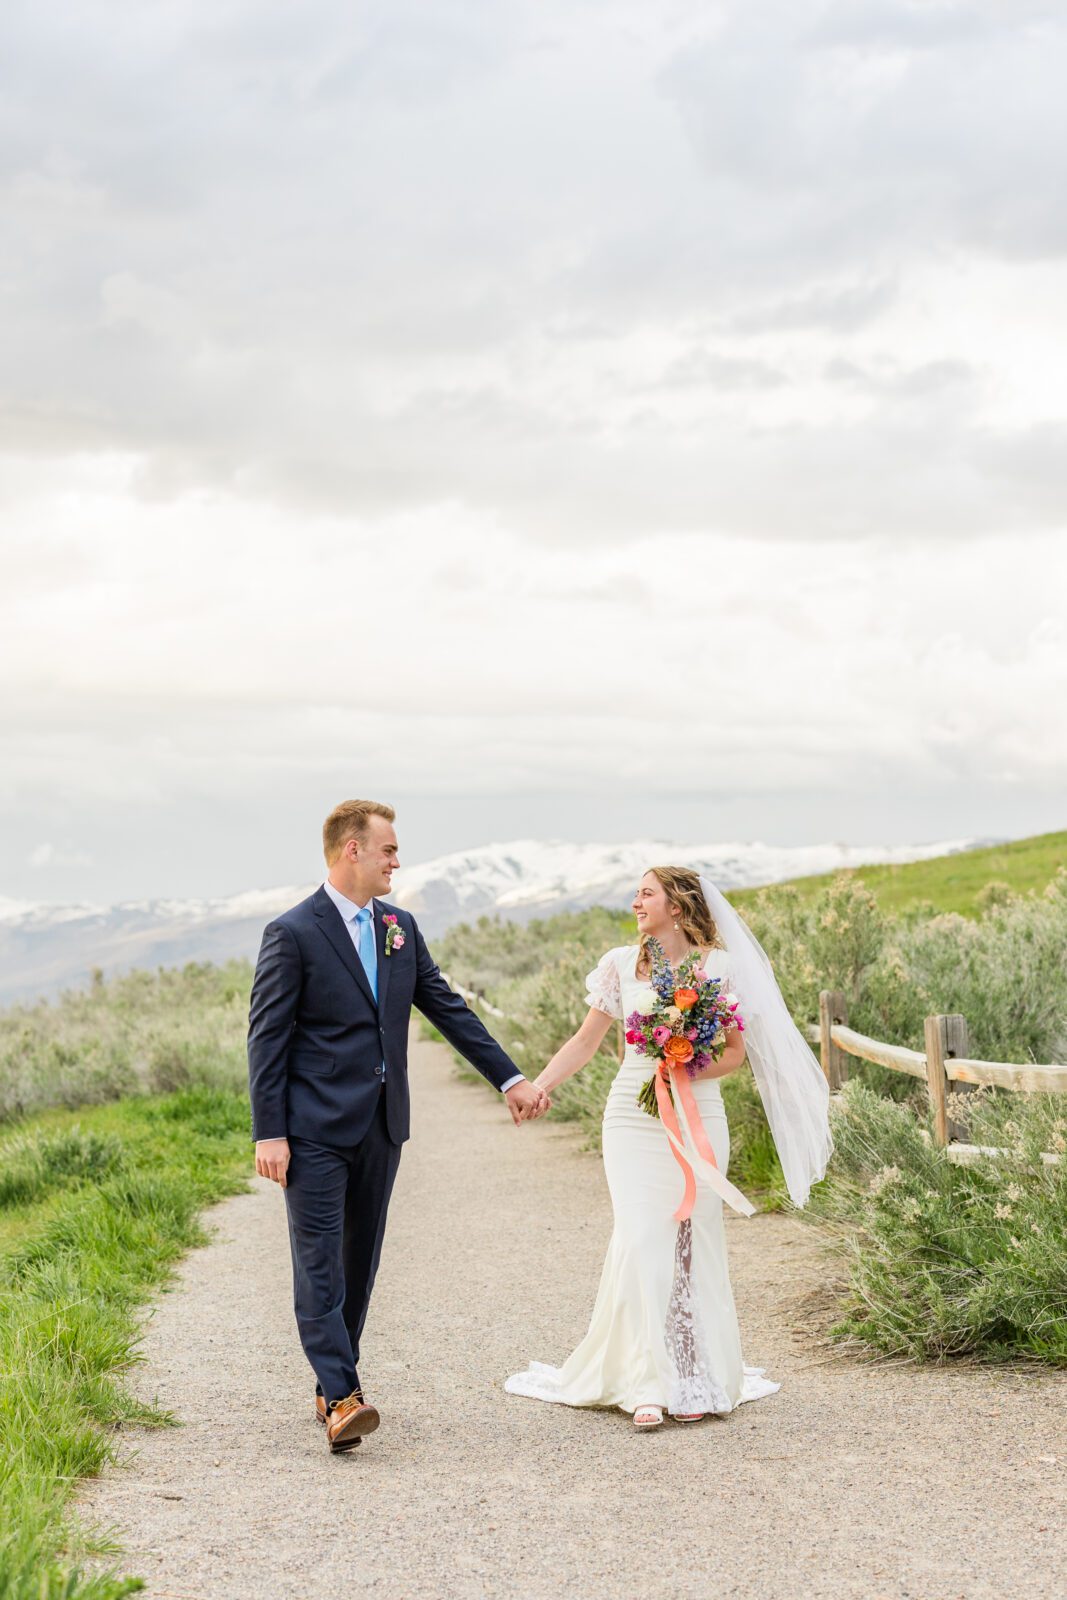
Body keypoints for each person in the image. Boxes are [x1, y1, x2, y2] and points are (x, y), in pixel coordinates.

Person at [248, 799, 548, 1452]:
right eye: (388, 850)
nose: (396, 862)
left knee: (359, 1264)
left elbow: (446, 1007)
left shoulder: (399, 928)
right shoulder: (291, 933)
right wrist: (268, 1132)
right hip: (312, 1130)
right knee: (320, 1264)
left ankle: (332, 1385)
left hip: (382, 1127)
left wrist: (510, 1078)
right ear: (351, 850)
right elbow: (266, 1040)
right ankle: (344, 1398)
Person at [505, 865, 831, 1429]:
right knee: (640, 1238)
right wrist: (539, 1087)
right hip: (631, 1119)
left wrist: (683, 1064)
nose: (636, 902)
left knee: (690, 1243)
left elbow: (734, 1054)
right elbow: (585, 1040)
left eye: (646, 894)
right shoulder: (619, 964)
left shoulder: (720, 968)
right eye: (636, 894)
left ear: (676, 907)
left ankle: (695, 1375)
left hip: (699, 1116)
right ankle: (646, 1383)